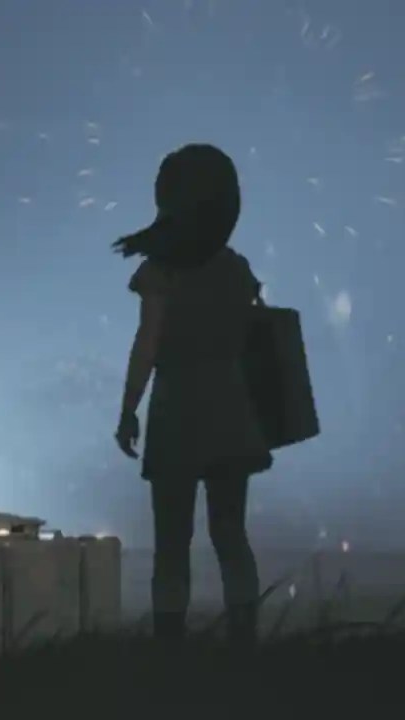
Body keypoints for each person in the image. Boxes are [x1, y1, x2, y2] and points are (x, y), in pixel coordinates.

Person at [112, 143, 272, 648]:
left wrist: (128, 408)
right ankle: (245, 642)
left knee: (172, 541)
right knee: (230, 534)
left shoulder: (161, 270)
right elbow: (252, 340)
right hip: (230, 407)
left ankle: (169, 648)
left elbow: (148, 344)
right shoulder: (238, 269)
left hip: (177, 408)